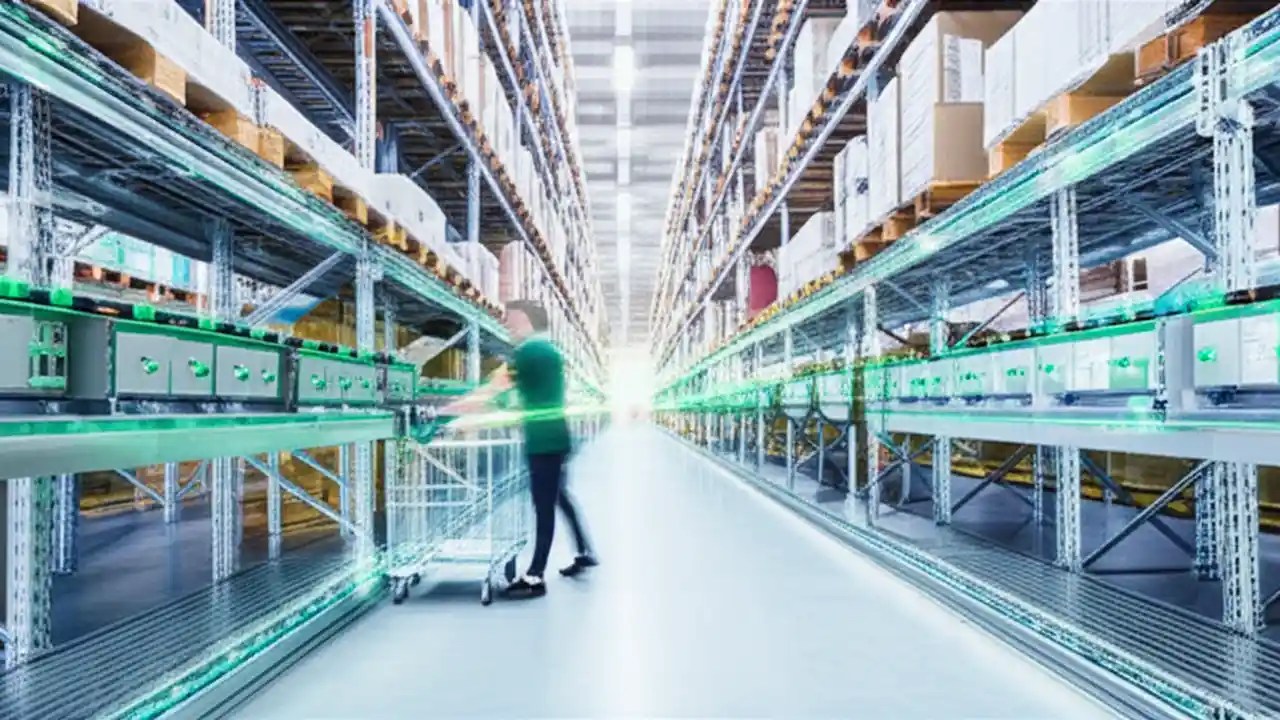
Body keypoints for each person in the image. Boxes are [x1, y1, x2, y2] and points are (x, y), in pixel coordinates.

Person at [444, 300, 596, 598]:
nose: (508, 325)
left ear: (526, 320)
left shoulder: (529, 352)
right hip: (555, 436)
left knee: (544, 505)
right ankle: (584, 551)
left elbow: (494, 389)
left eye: (512, 319)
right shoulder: (548, 351)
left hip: (543, 441)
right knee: (558, 496)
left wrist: (447, 412)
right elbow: (527, 394)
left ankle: (536, 576)